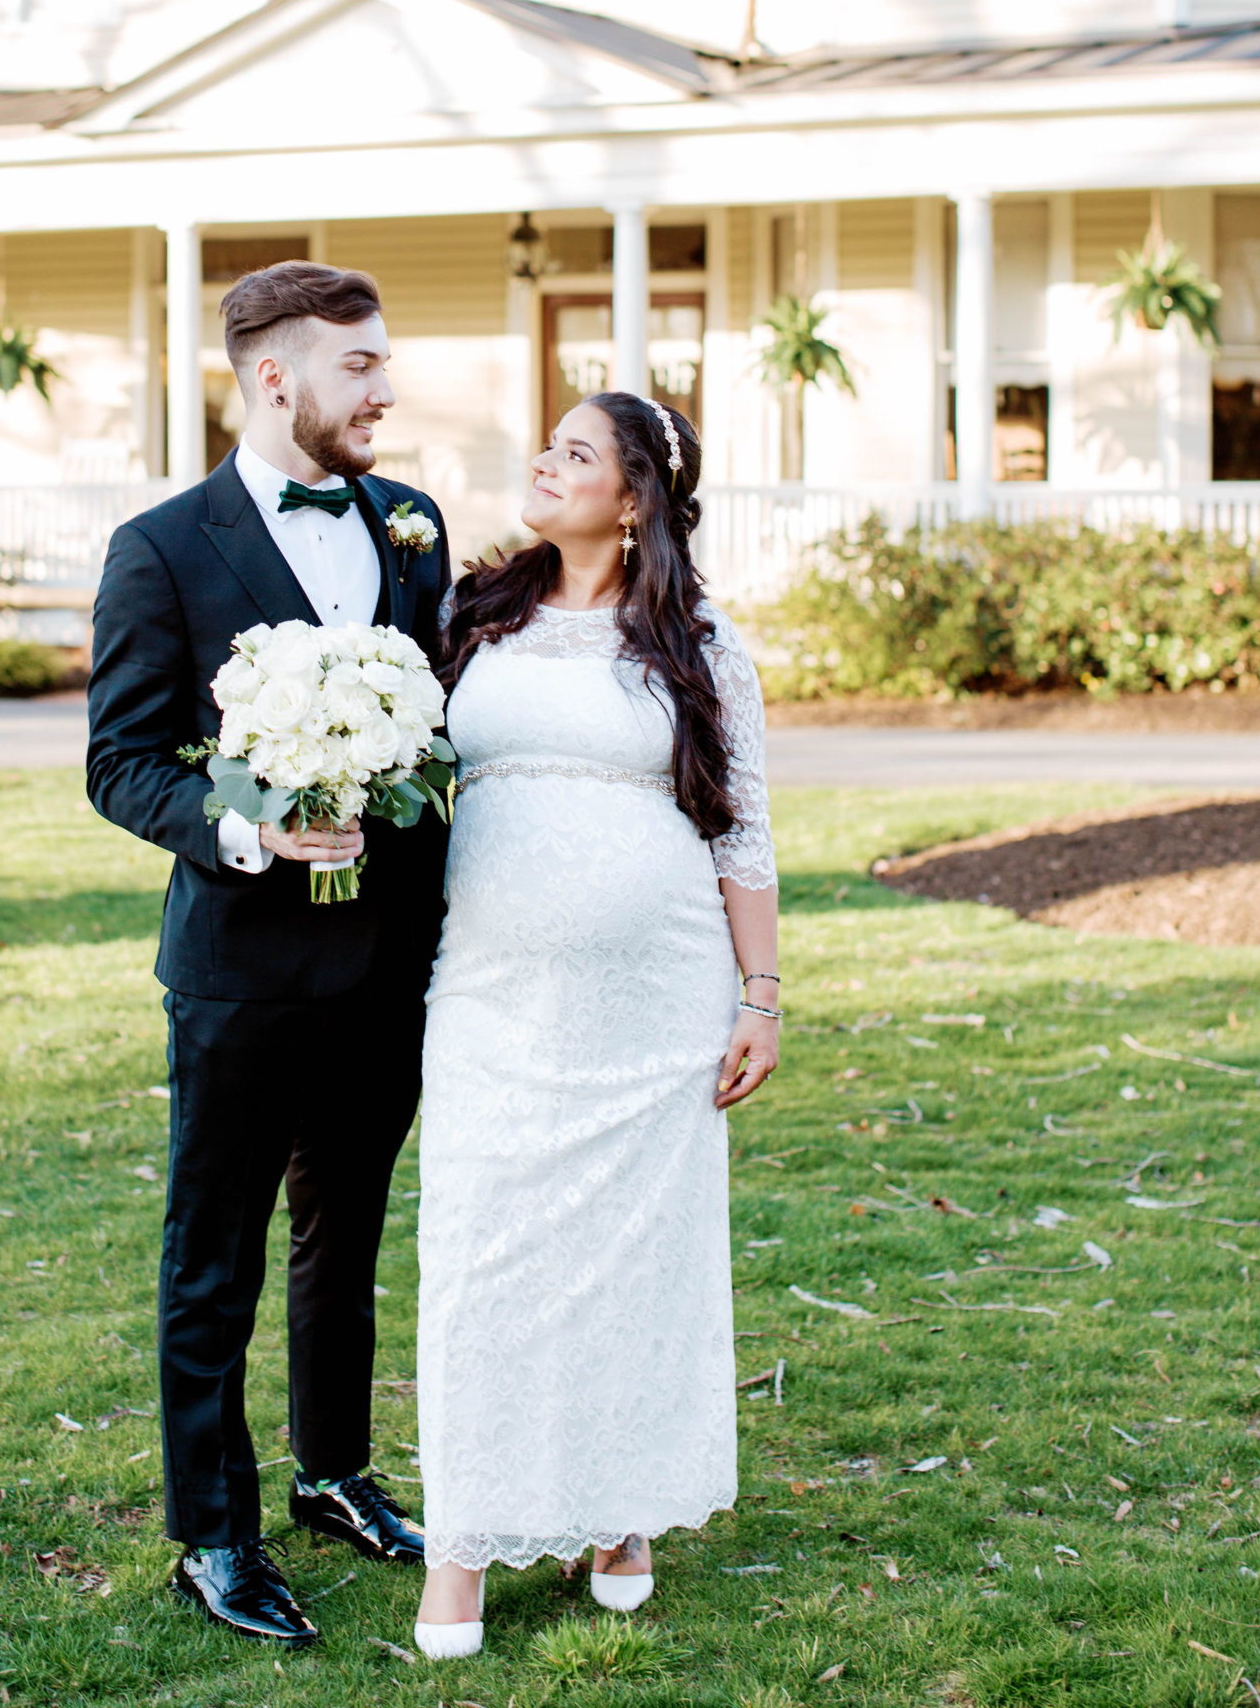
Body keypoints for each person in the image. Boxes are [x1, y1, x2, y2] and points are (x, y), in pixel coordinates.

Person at [86, 261, 451, 1650]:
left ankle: (334, 1473)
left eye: (384, 361)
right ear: (274, 377)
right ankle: (211, 1533)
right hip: (238, 971)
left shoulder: (412, 526)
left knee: (344, 1238)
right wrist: (245, 828)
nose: (385, 389)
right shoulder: (160, 548)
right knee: (213, 1257)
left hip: (386, 964)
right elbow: (121, 763)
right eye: (360, 365)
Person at [411, 391, 779, 1659]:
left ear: (633, 501)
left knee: (630, 1264)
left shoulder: (701, 644)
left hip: (655, 1004)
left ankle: (620, 1514)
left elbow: (741, 831)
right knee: (480, 1254)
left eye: (577, 453)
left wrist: (761, 995)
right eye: (548, 443)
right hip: (491, 996)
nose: (545, 462)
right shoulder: (473, 613)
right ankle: (462, 1542)